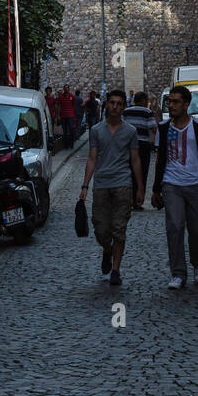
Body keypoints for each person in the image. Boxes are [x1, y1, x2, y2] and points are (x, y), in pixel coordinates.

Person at [151, 85, 198, 289]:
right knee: (174, 227)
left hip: (196, 184)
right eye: (169, 101)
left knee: (197, 230)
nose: (171, 105)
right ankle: (178, 272)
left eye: (175, 101)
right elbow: (159, 160)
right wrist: (156, 188)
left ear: (186, 104)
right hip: (171, 184)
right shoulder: (163, 128)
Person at [79, 89, 143, 286]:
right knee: (101, 228)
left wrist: (140, 188)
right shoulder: (97, 131)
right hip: (101, 185)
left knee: (119, 229)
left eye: (119, 103)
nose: (115, 107)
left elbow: (135, 160)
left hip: (123, 184)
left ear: (124, 106)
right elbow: (92, 158)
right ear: (106, 104)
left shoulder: (130, 131)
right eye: (112, 103)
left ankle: (116, 269)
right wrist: (85, 185)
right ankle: (107, 250)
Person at [122, 91, 158, 204]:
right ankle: (138, 199)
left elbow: (121, 127)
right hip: (142, 145)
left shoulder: (126, 111)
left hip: (128, 146)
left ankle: (129, 198)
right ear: (143, 101)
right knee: (142, 172)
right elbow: (153, 127)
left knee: (129, 172)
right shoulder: (147, 112)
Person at [58, 84, 77, 149]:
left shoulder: (72, 97)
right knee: (65, 131)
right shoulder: (61, 97)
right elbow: (59, 106)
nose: (66, 89)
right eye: (65, 88)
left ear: (69, 89)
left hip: (70, 116)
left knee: (71, 129)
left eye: (67, 88)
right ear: (63, 89)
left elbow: (74, 106)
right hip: (63, 116)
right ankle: (66, 145)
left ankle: (71, 144)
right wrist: (58, 115)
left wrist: (74, 115)